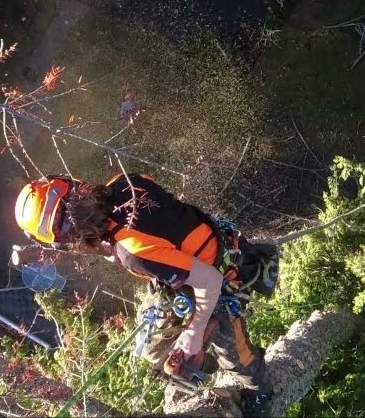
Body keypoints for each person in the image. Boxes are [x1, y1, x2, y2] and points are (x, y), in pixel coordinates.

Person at [14, 173, 277, 416]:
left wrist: (194, 333)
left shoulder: (133, 253)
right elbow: (151, 229)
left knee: (238, 357)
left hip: (214, 276)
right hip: (184, 263)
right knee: (152, 347)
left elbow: (209, 281)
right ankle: (203, 363)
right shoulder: (124, 181)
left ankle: (261, 392)